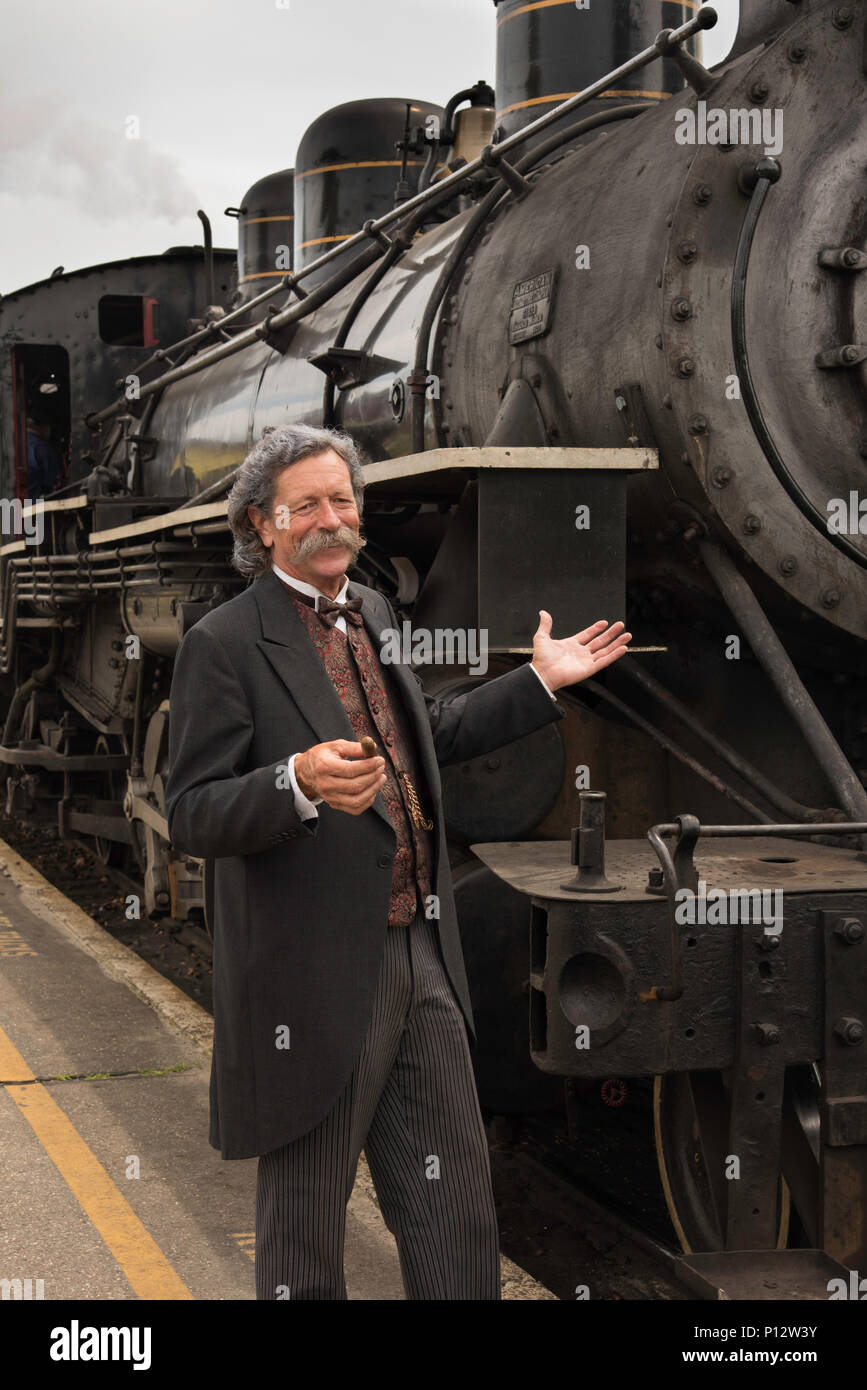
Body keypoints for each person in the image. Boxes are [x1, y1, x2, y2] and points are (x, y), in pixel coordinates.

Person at [165, 424, 631, 1300]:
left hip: (422, 955)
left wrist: (536, 683)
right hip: (311, 975)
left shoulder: (374, 614)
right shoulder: (223, 644)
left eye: (342, 500)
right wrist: (292, 781)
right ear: (262, 525)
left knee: (453, 1204)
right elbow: (191, 811)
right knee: (307, 1222)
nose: (329, 519)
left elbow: (429, 736)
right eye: (305, 505)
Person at [25, 414, 60, 500]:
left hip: (9, 504)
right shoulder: (42, 447)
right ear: (42, 427)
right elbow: (50, 481)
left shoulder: (11, 443)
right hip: (33, 504)